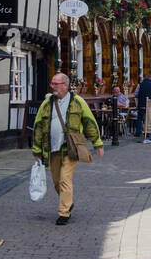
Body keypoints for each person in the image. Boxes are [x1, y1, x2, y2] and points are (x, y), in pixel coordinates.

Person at [32, 73, 104, 225]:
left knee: (65, 179)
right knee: (57, 181)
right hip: (51, 148)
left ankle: (64, 213)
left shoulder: (78, 102)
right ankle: (68, 201)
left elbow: (89, 121)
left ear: (65, 85)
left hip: (70, 147)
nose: (52, 86)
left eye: (55, 84)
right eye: (52, 84)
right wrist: (37, 151)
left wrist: (97, 143)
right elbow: (38, 127)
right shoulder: (47, 103)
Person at [136, 73, 151, 138]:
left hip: (142, 104)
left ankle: (138, 132)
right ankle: (148, 132)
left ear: (144, 78)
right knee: (149, 118)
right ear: (150, 78)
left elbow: (136, 94)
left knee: (140, 118)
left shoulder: (140, 85)